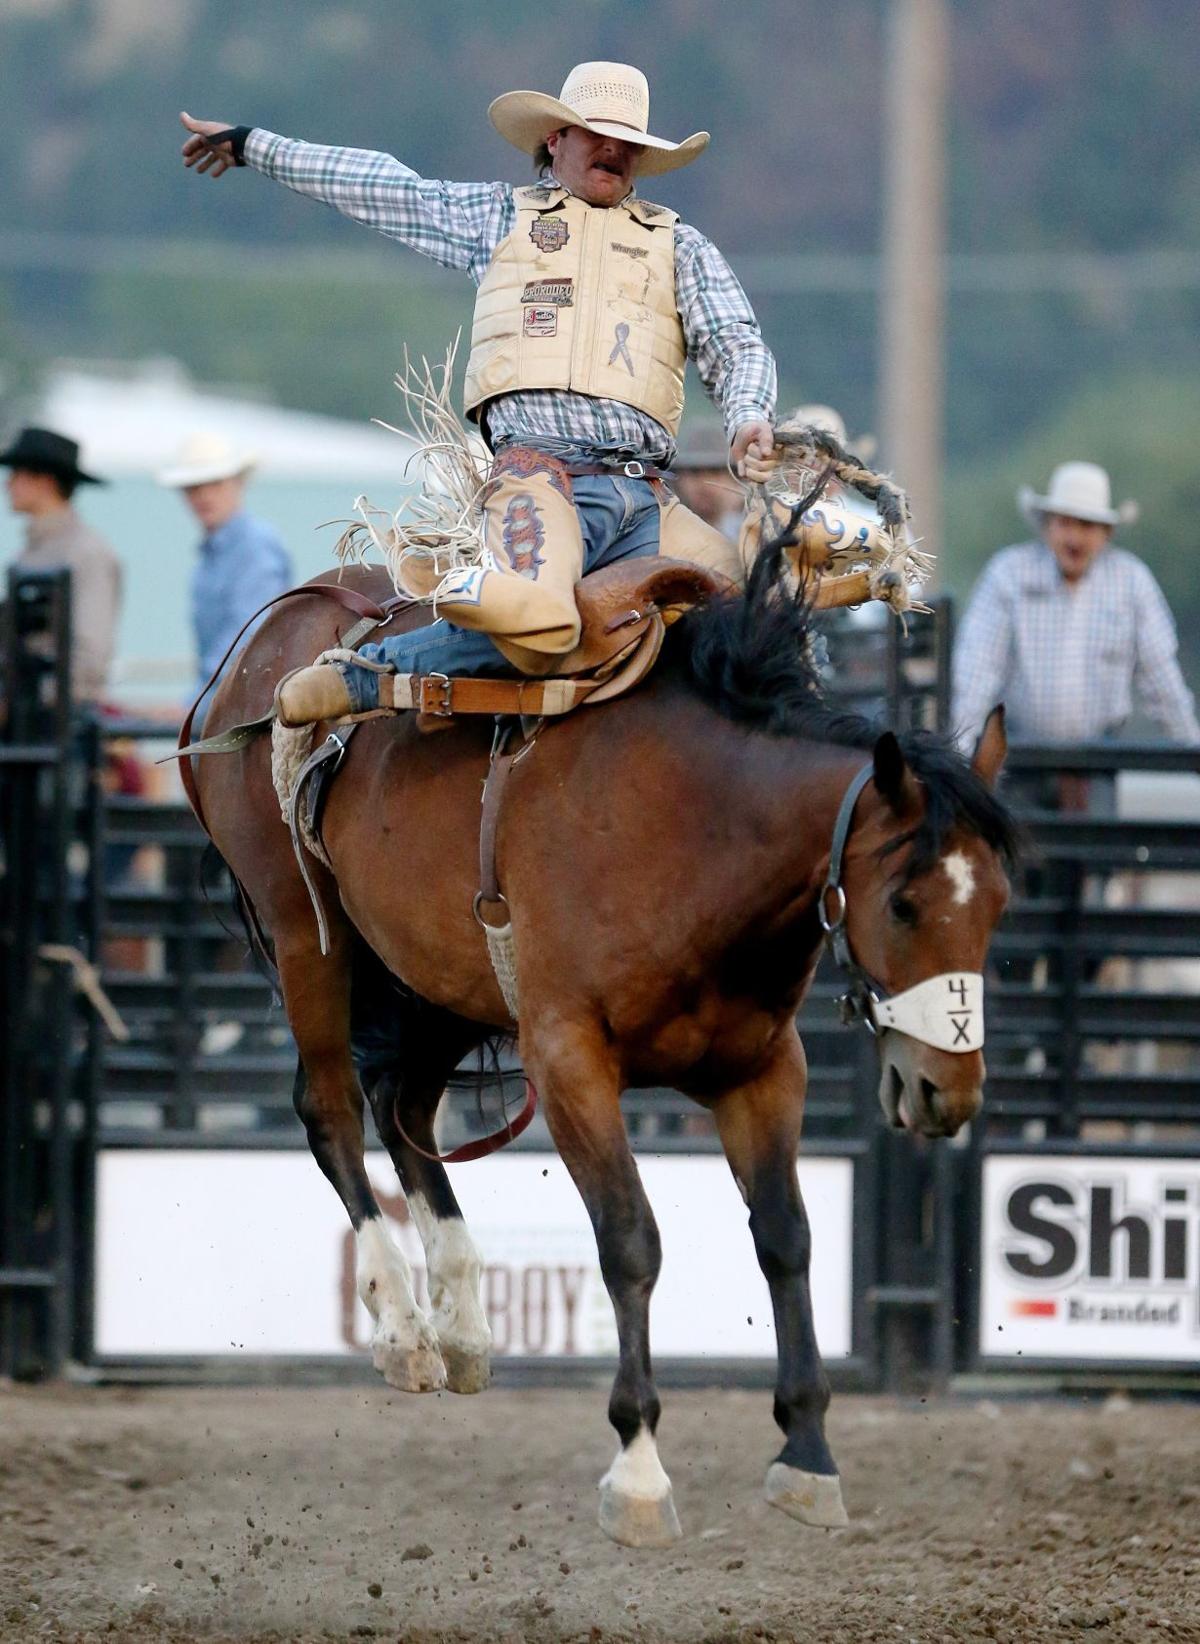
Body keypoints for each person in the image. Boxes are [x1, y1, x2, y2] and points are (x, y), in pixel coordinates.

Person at [178, 61, 778, 724]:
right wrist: (253, 146)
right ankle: (375, 672)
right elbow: (383, 187)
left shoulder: (680, 246)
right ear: (556, 139)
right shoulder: (498, 218)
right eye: (595, 134)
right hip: (543, 479)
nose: (613, 149)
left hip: (648, 499)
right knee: (541, 621)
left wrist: (749, 417)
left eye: (625, 140)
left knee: (762, 612)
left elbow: (735, 341)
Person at [952, 462, 1200, 796]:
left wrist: (1191, 752)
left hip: (1097, 761)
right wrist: (959, 756)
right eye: (1065, 523)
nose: (1074, 537)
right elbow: (977, 673)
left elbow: (1162, 681)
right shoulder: (1009, 575)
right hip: (1020, 757)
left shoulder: (1131, 583)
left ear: (1105, 533)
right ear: (1046, 527)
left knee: (1098, 846)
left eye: (1086, 525)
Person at [157, 432, 293, 729]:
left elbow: (246, 636)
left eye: (214, 484)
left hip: (246, 714)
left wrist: (192, 705)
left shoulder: (253, 548)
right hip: (230, 710)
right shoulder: (219, 554)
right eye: (193, 488)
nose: (203, 496)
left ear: (238, 484)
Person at [1, 426, 121, 704]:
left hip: (53, 725)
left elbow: (89, 658)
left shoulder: (86, 553)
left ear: (45, 481)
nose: (7, 484)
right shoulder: (29, 554)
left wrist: (21, 700)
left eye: (17, 474)